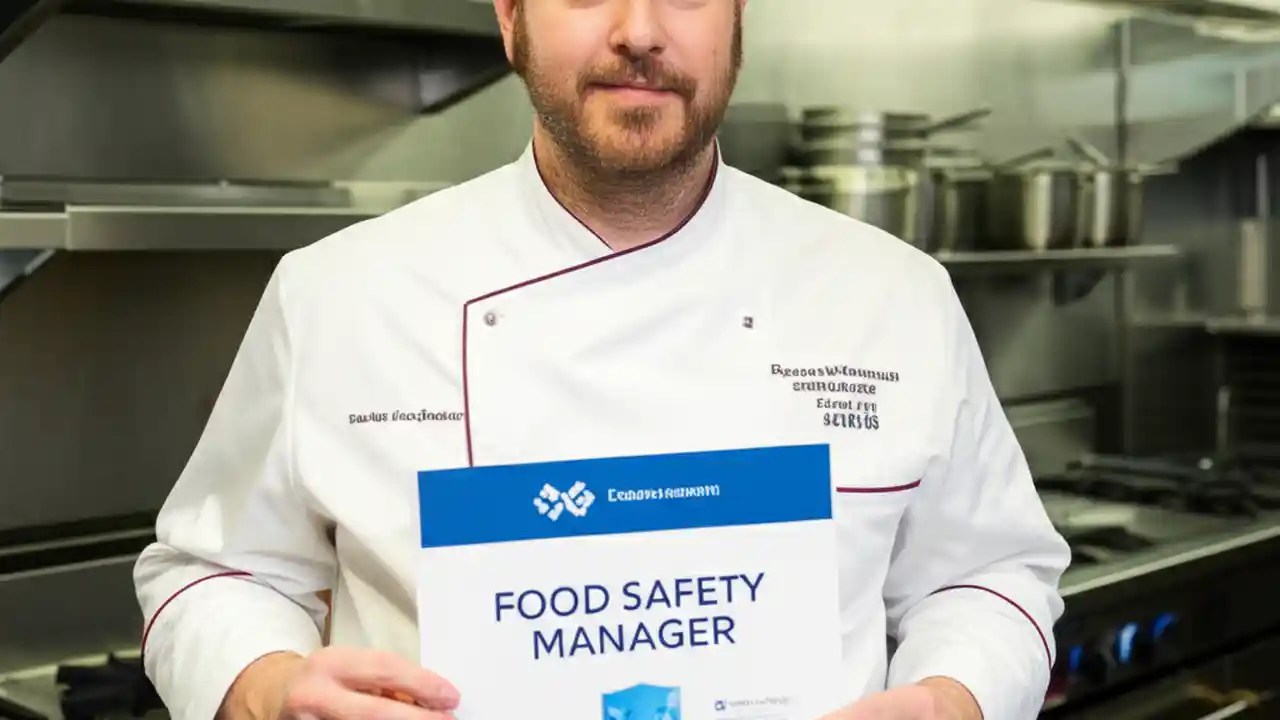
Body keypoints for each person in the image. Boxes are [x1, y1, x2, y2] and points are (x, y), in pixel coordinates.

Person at [134, 1, 1072, 719]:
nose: (639, 33)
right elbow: (211, 574)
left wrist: (952, 698)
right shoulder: (340, 293)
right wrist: (269, 687)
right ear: (511, 17)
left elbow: (987, 575)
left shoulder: (892, 295)